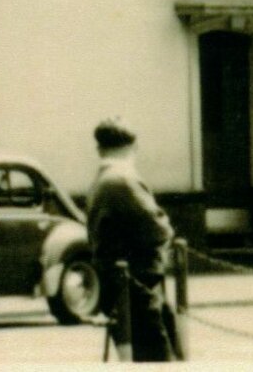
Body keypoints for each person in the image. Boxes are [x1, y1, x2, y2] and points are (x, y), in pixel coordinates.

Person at [86, 119, 182, 363]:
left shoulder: (101, 179)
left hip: (117, 283)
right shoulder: (123, 180)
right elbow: (158, 229)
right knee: (157, 357)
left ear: (100, 149)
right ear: (132, 148)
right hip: (137, 286)